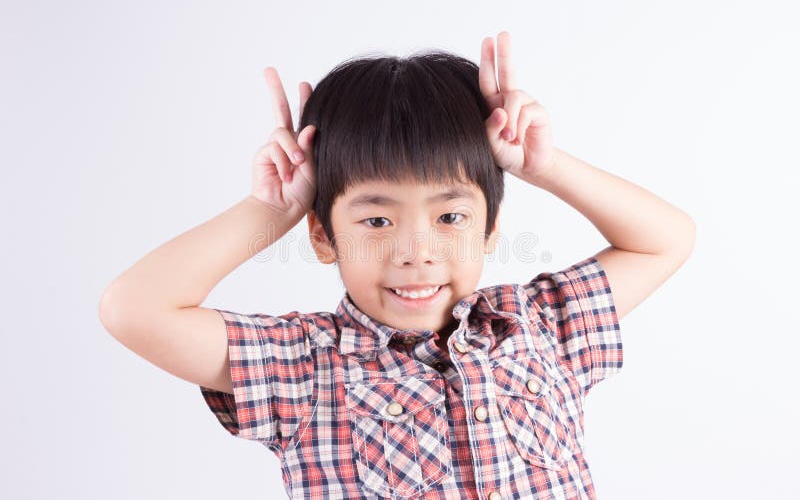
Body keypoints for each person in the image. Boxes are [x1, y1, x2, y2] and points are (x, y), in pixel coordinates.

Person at [99, 31, 695, 499]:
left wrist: (545, 165)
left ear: (489, 229)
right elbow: (134, 309)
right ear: (324, 236)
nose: (416, 251)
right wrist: (270, 208)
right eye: (377, 221)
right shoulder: (303, 367)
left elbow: (664, 239)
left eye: (450, 217)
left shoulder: (540, 325)